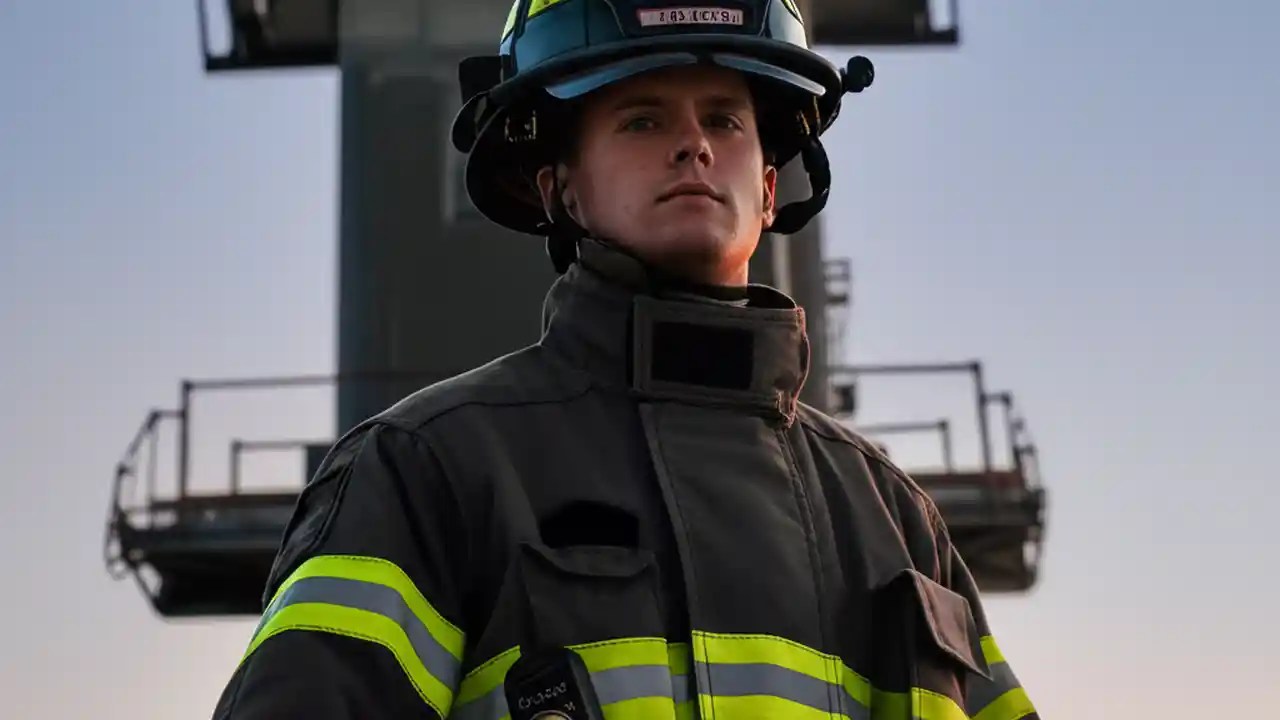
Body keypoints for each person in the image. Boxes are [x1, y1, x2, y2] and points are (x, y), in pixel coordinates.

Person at [211, 1, 1041, 718]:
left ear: (767, 184)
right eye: (642, 119)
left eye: (724, 119)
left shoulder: (896, 521)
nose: (695, 147)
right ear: (559, 187)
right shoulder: (425, 471)